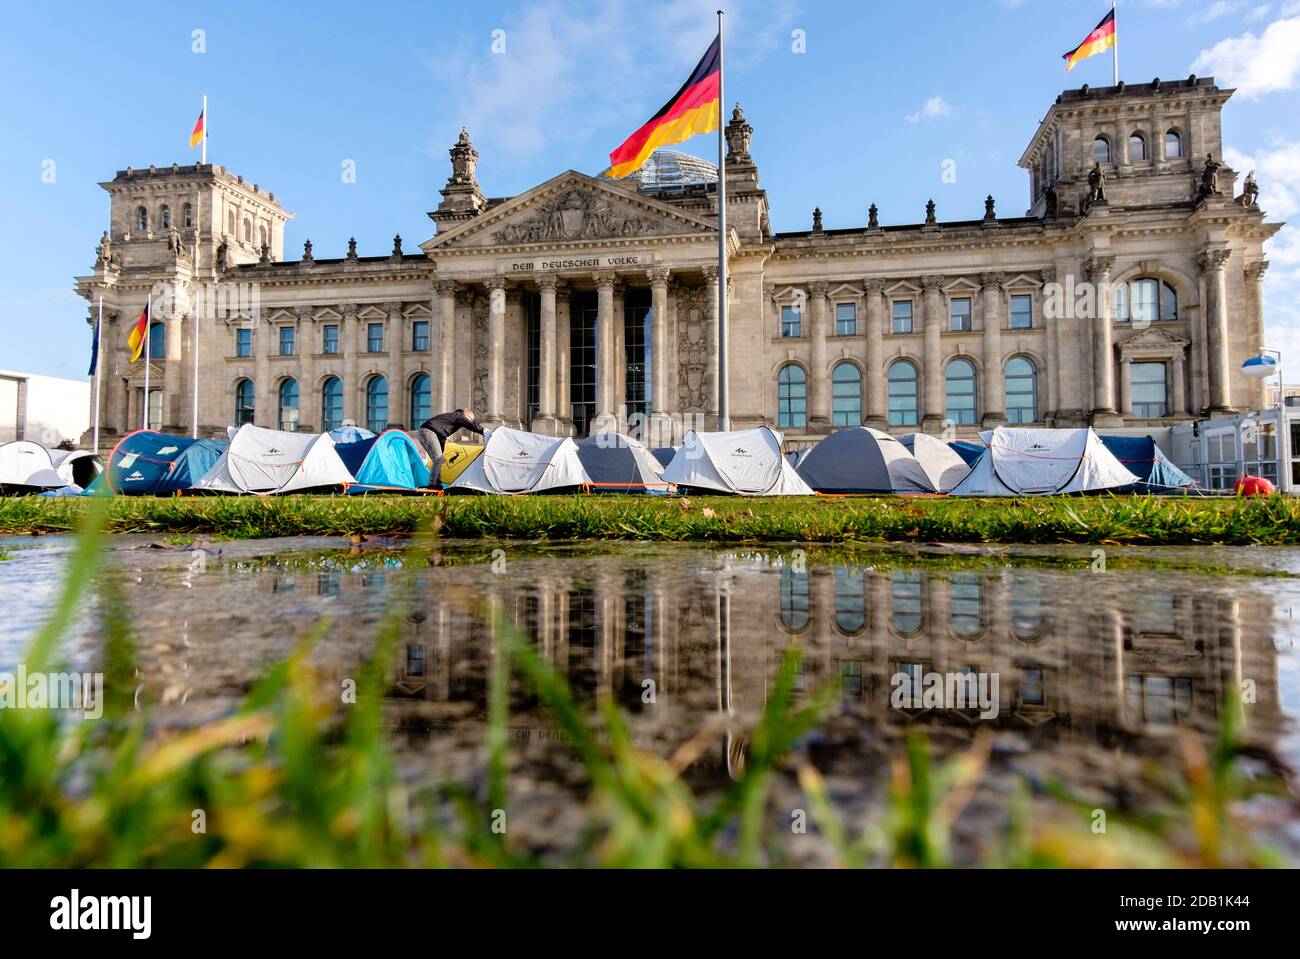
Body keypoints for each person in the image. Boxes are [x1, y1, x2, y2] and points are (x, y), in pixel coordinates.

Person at [415, 408, 484, 487]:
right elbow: (472, 426)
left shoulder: (451, 419)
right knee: (438, 459)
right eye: (469, 419)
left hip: (424, 433)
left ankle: (437, 482)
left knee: (439, 459)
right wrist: (484, 431)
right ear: (466, 415)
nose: (468, 422)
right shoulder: (458, 416)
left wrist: (441, 451)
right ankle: (433, 484)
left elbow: (441, 436)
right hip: (428, 432)